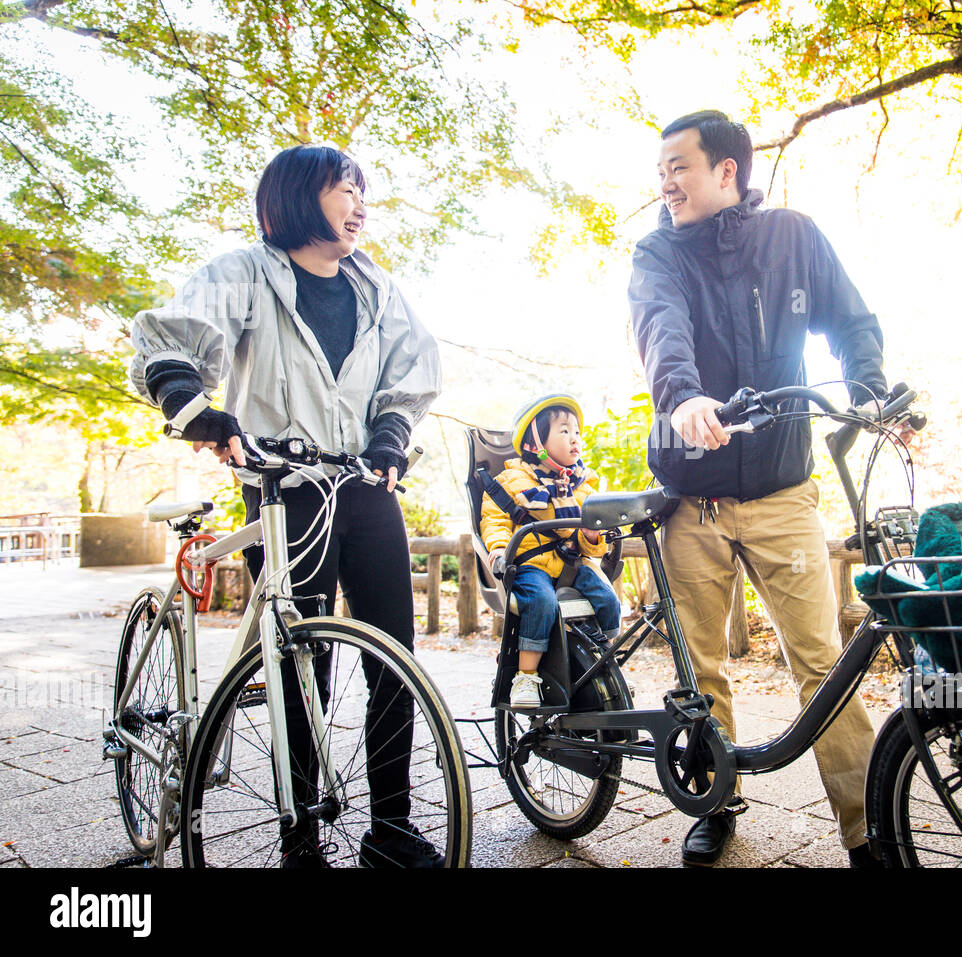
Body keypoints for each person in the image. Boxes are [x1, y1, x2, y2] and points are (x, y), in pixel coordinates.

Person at [129, 143, 443, 868]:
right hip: (282, 485)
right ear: (301, 195)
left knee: (393, 654)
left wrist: (392, 436)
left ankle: (390, 825)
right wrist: (194, 406)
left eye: (364, 193)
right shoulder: (242, 272)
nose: (360, 206)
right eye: (346, 190)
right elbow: (175, 339)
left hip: (363, 484)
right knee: (307, 659)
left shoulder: (378, 290)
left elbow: (409, 372)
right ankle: (300, 831)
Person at [628, 109, 887, 868]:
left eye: (679, 166)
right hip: (692, 500)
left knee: (823, 662)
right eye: (661, 170)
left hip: (782, 492)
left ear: (727, 170)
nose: (666, 182)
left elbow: (851, 318)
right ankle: (715, 796)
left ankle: (867, 827)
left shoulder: (794, 237)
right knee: (700, 666)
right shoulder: (657, 252)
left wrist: (870, 389)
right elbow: (659, 328)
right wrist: (682, 397)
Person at [480, 395, 621, 708]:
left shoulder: (584, 485)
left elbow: (591, 548)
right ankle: (526, 676)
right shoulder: (512, 479)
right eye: (564, 431)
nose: (575, 438)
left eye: (577, 432)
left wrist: (591, 537)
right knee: (541, 603)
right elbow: (495, 518)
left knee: (608, 597)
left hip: (572, 562)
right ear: (536, 441)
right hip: (532, 563)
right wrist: (499, 547)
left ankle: (607, 661)